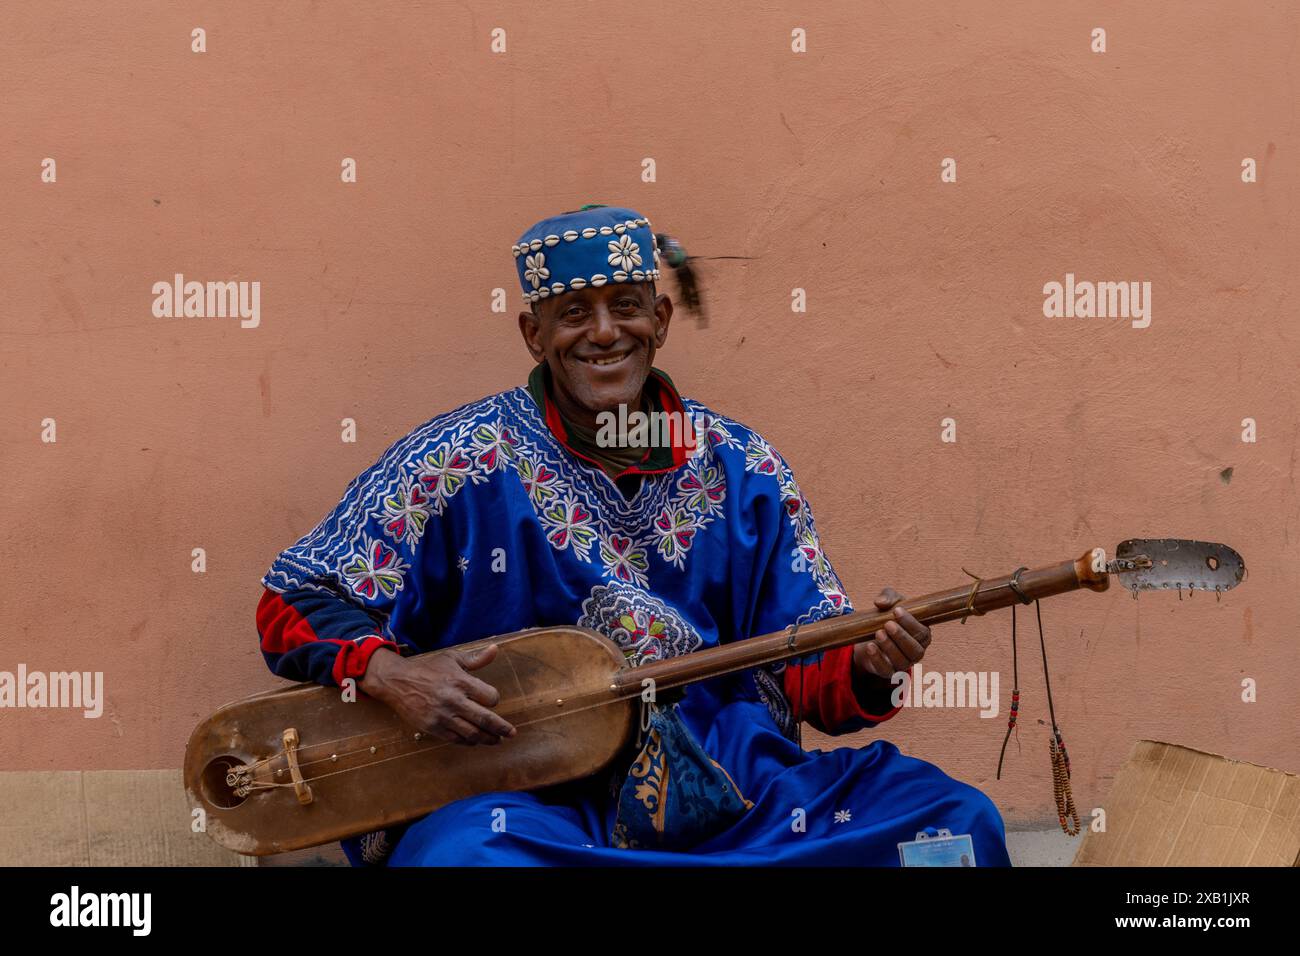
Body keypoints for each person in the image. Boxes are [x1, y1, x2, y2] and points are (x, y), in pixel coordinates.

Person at [255, 203, 1012, 866]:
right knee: (465, 858)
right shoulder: (455, 462)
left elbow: (814, 670)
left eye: (626, 306)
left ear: (662, 321)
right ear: (533, 333)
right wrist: (393, 675)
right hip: (528, 798)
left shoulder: (743, 467)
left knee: (953, 824)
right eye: (575, 312)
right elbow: (292, 599)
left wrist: (871, 663)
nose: (605, 332)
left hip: (734, 791)